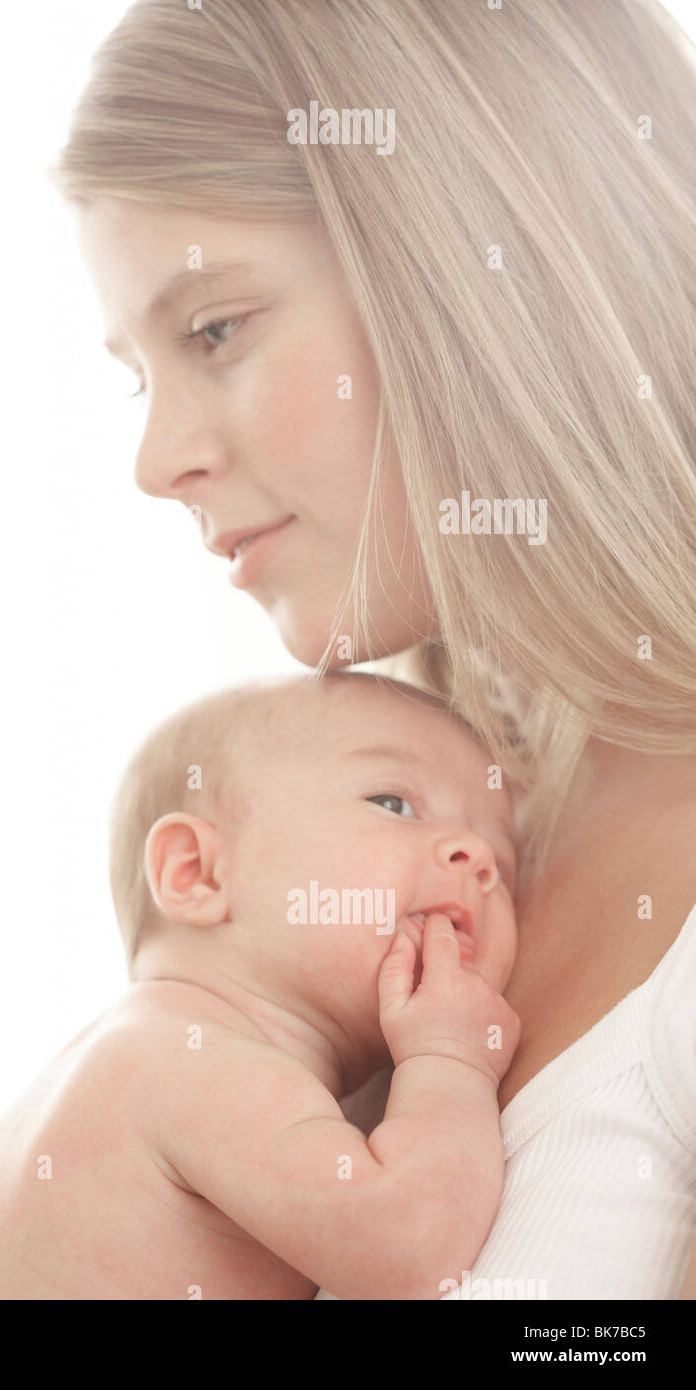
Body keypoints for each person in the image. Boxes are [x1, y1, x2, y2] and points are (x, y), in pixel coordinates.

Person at [51, 0, 696, 1298]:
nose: (152, 459)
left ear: (467, 261)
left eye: (216, 328)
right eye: (138, 372)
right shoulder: (409, 843)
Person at [0, 674, 518, 1298]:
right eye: (394, 804)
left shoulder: (145, 1053)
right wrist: (452, 1059)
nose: (475, 855)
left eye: (506, 859)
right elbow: (411, 1248)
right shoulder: (192, 1062)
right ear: (196, 873)